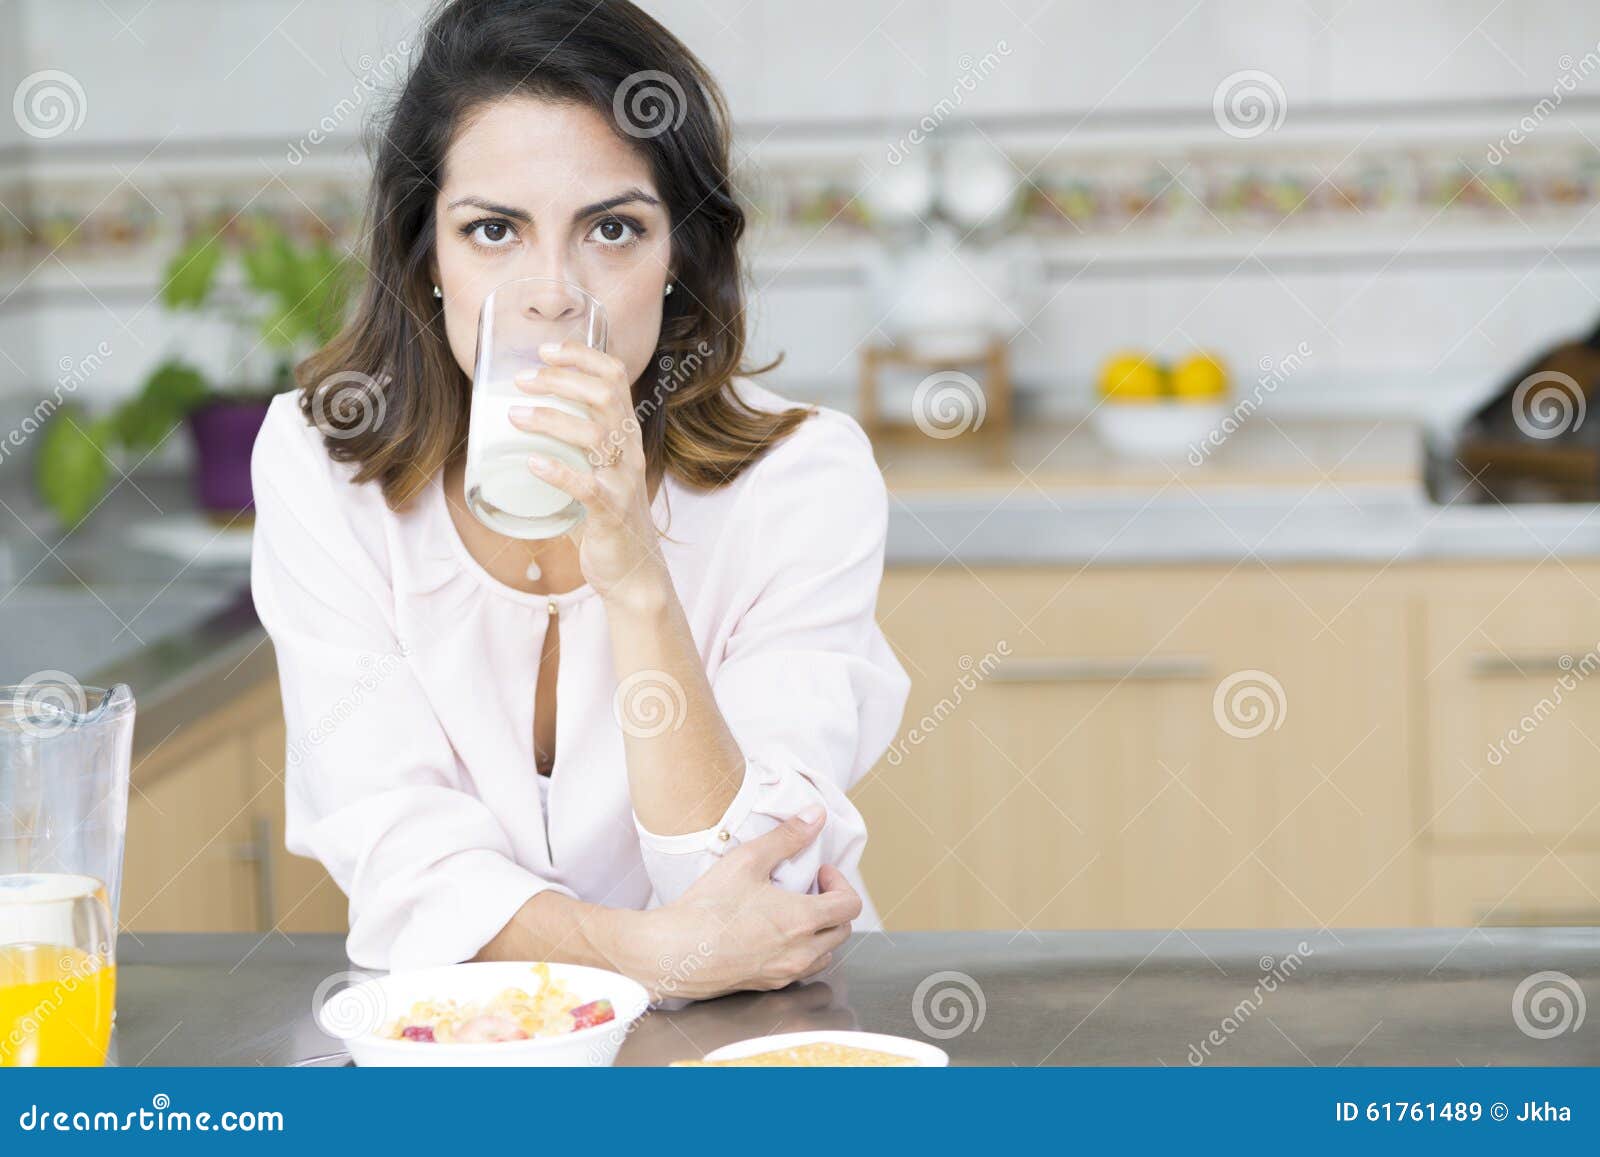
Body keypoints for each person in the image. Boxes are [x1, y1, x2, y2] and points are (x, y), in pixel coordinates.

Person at [250, 0, 909, 999]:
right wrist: (650, 954)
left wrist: (636, 577)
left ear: (679, 255)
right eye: (493, 230)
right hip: (474, 1039)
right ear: (428, 257)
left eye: (612, 228)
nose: (552, 292)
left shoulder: (802, 478)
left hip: (751, 1037)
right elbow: (401, 857)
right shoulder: (321, 467)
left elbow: (755, 880)